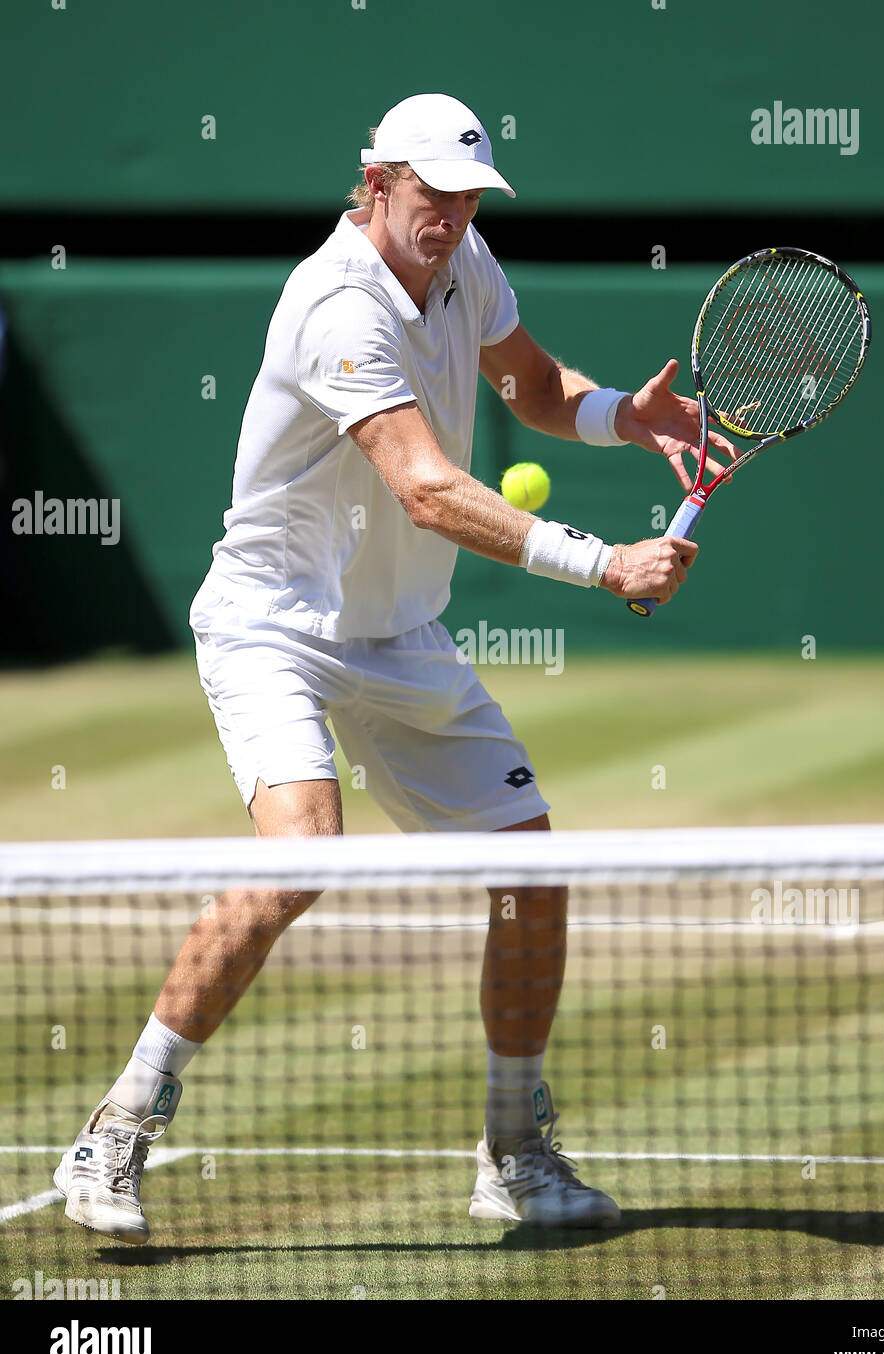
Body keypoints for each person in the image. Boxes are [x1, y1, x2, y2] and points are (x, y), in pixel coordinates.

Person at [53, 93, 738, 1243]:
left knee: (532, 876)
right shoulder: (335, 302)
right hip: (275, 623)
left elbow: (528, 384)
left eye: (470, 197)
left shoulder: (466, 260)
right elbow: (424, 485)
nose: (453, 216)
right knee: (301, 855)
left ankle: (513, 1155)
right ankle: (114, 1130)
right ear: (374, 180)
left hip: (401, 631)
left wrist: (625, 414)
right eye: (432, 195)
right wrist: (601, 560)